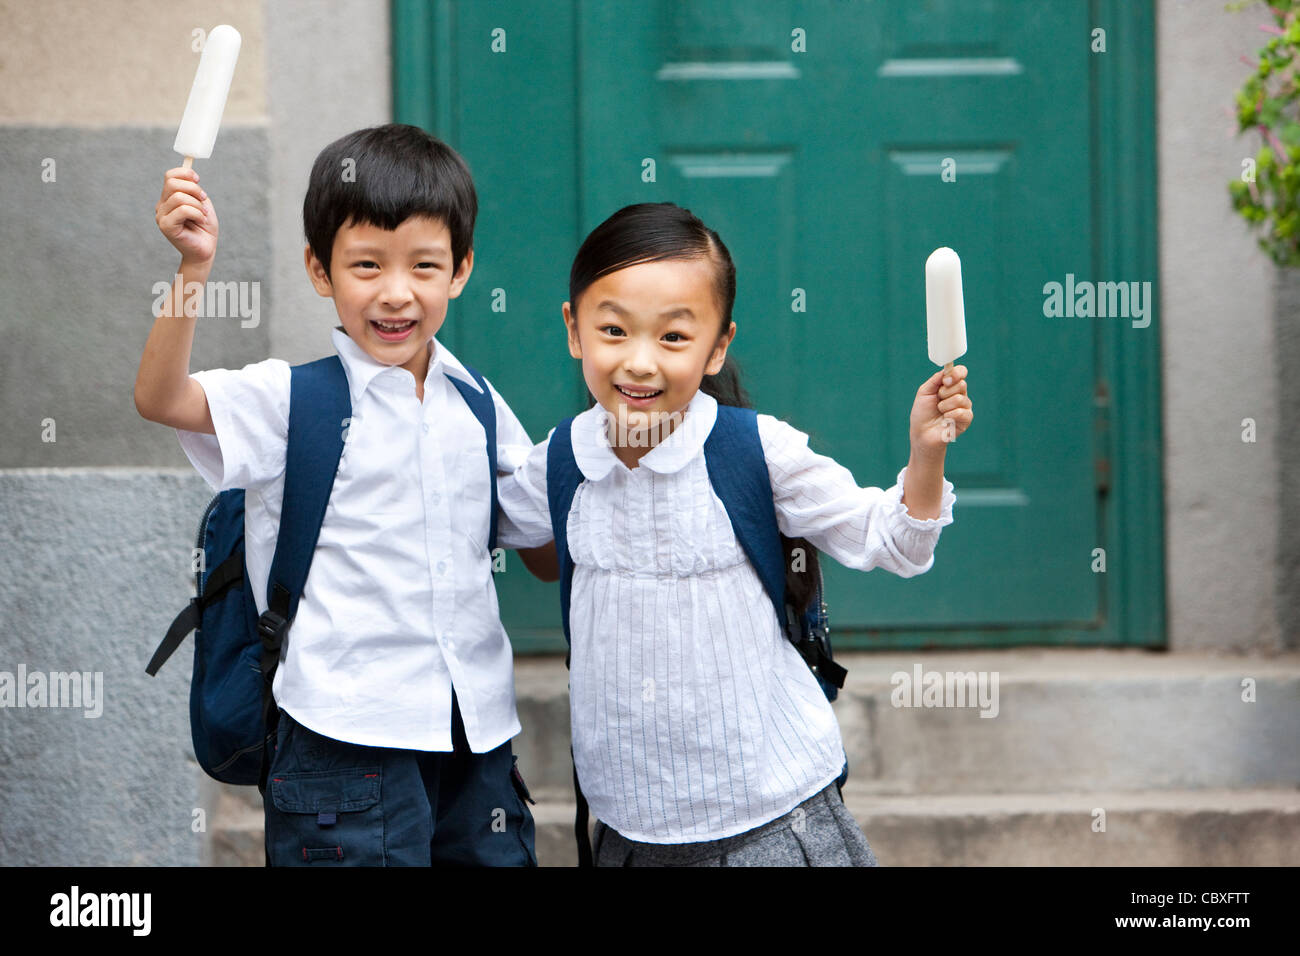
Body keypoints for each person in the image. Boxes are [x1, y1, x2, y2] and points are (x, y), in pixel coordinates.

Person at [495, 202, 973, 866]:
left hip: (771, 825)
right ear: (575, 329)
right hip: (629, 834)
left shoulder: (756, 452)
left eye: (672, 338)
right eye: (613, 330)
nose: (639, 362)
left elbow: (891, 540)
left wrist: (927, 452)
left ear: (718, 345)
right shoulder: (561, 463)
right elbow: (478, 521)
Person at [135, 123, 549, 866]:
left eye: (426, 265)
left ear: (460, 271)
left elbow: (540, 537)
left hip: (473, 739)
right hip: (341, 746)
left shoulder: (478, 404)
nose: (397, 293)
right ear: (320, 271)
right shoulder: (289, 400)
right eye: (366, 264)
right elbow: (161, 397)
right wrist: (194, 267)